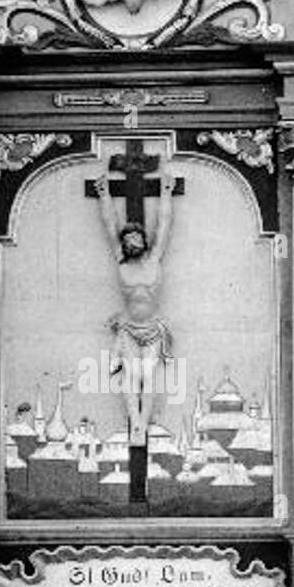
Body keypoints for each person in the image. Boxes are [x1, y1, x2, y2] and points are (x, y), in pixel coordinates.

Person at [95, 167, 175, 448]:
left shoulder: (155, 260)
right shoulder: (121, 262)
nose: (131, 243)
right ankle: (136, 425)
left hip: (152, 329)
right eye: (127, 240)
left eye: (136, 239)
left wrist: (166, 193)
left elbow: (164, 225)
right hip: (128, 328)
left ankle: (143, 420)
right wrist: (104, 194)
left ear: (143, 241)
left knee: (149, 376)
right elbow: (109, 225)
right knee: (130, 377)